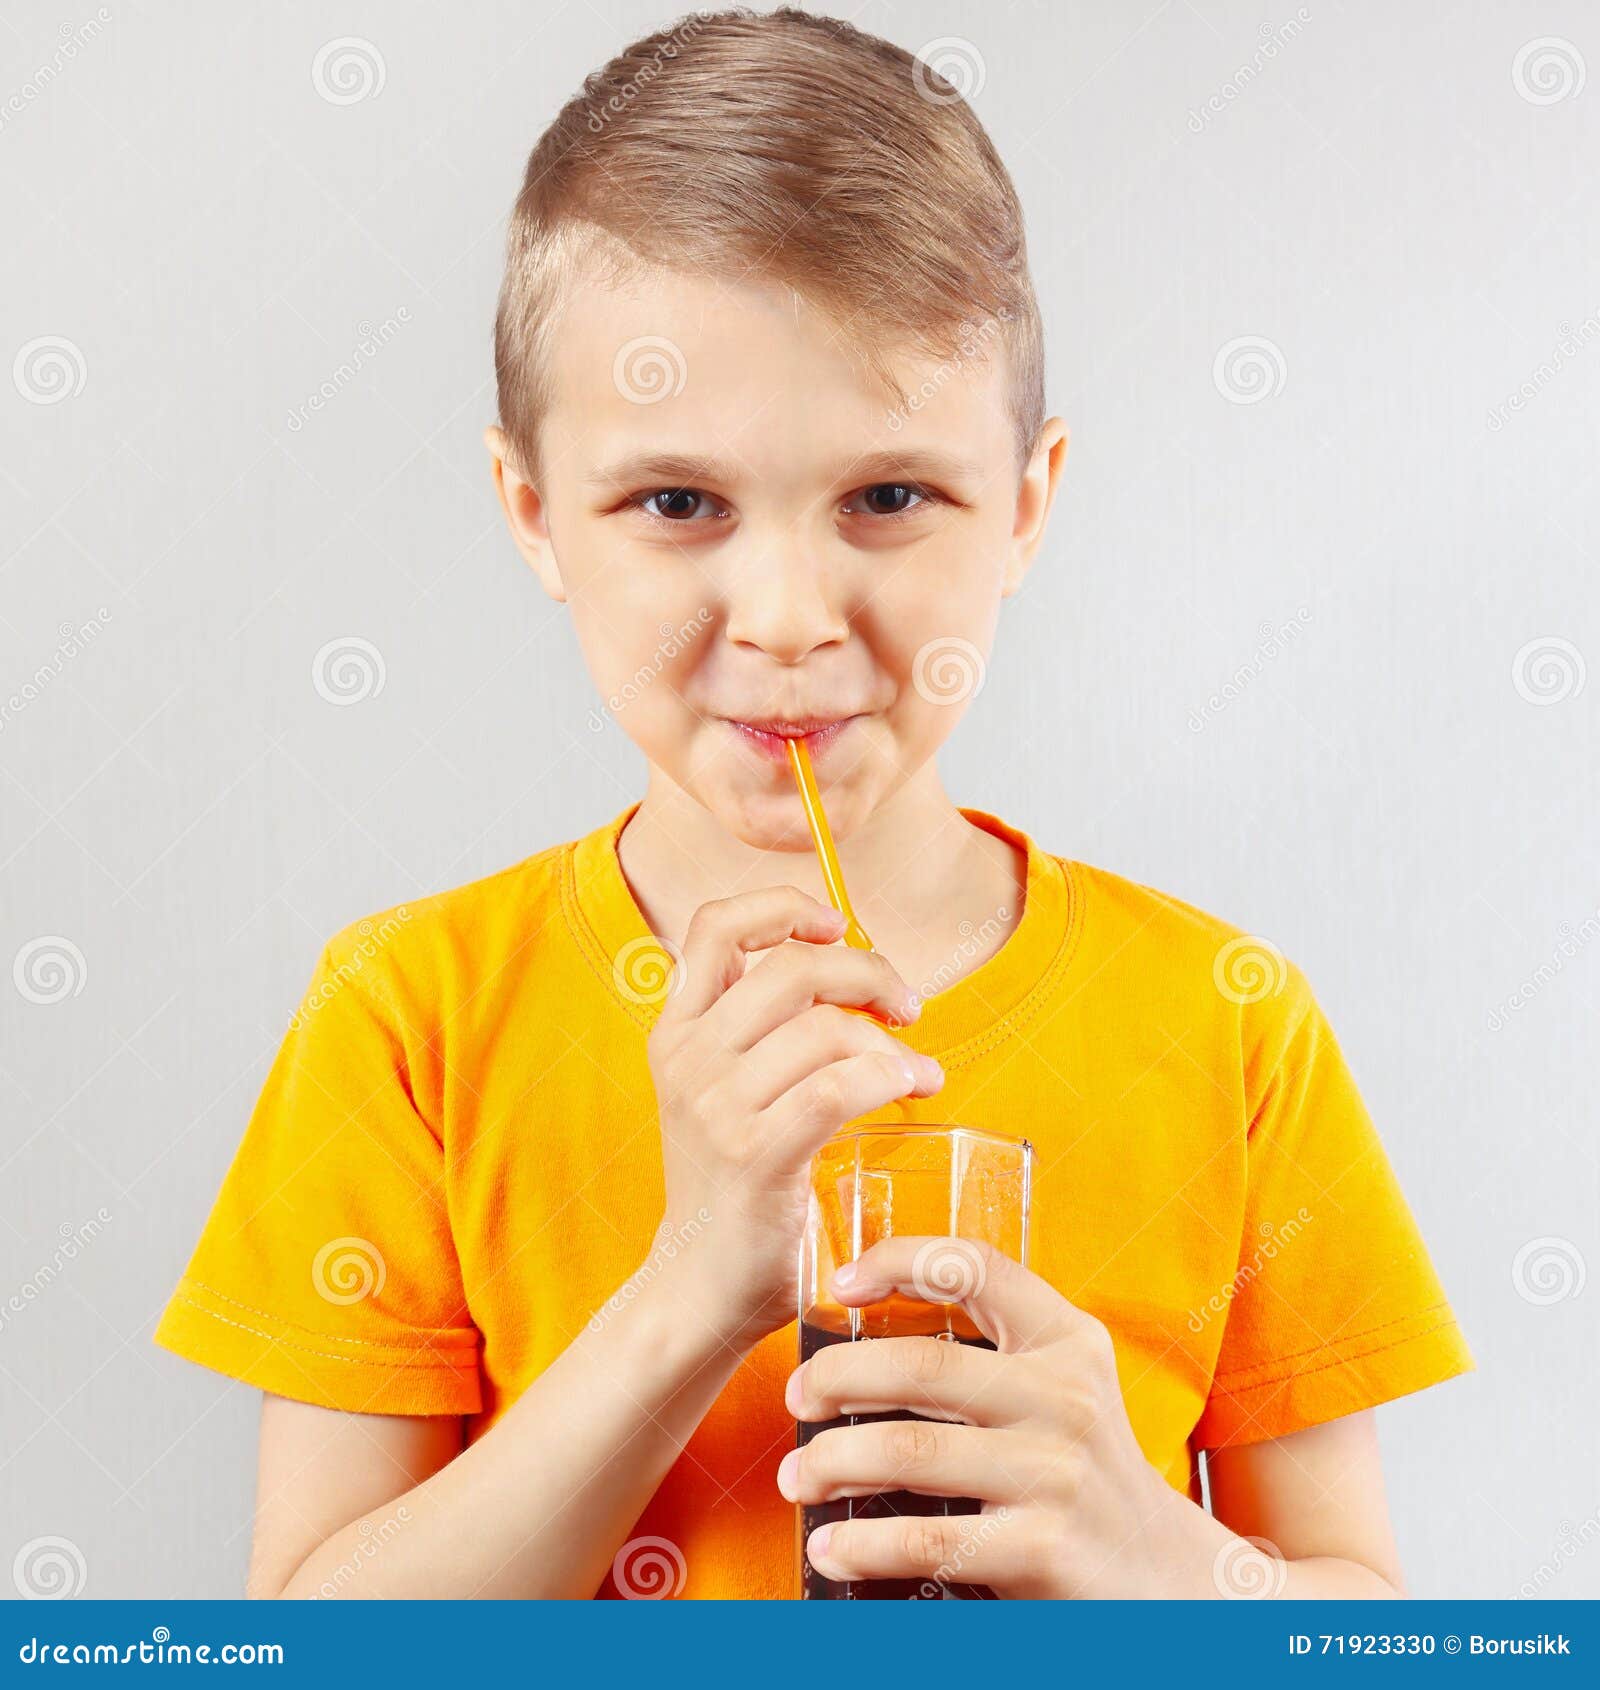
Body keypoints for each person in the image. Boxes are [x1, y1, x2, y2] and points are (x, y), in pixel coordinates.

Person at [155, 8, 1471, 1599]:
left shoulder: (1232, 1024)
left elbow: (1373, 1630)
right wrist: (692, 1286)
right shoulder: (408, 1019)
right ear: (535, 513)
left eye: (890, 495)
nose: (785, 611)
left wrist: (1170, 1560)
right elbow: (311, 1645)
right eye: (677, 501)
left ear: (1029, 503)